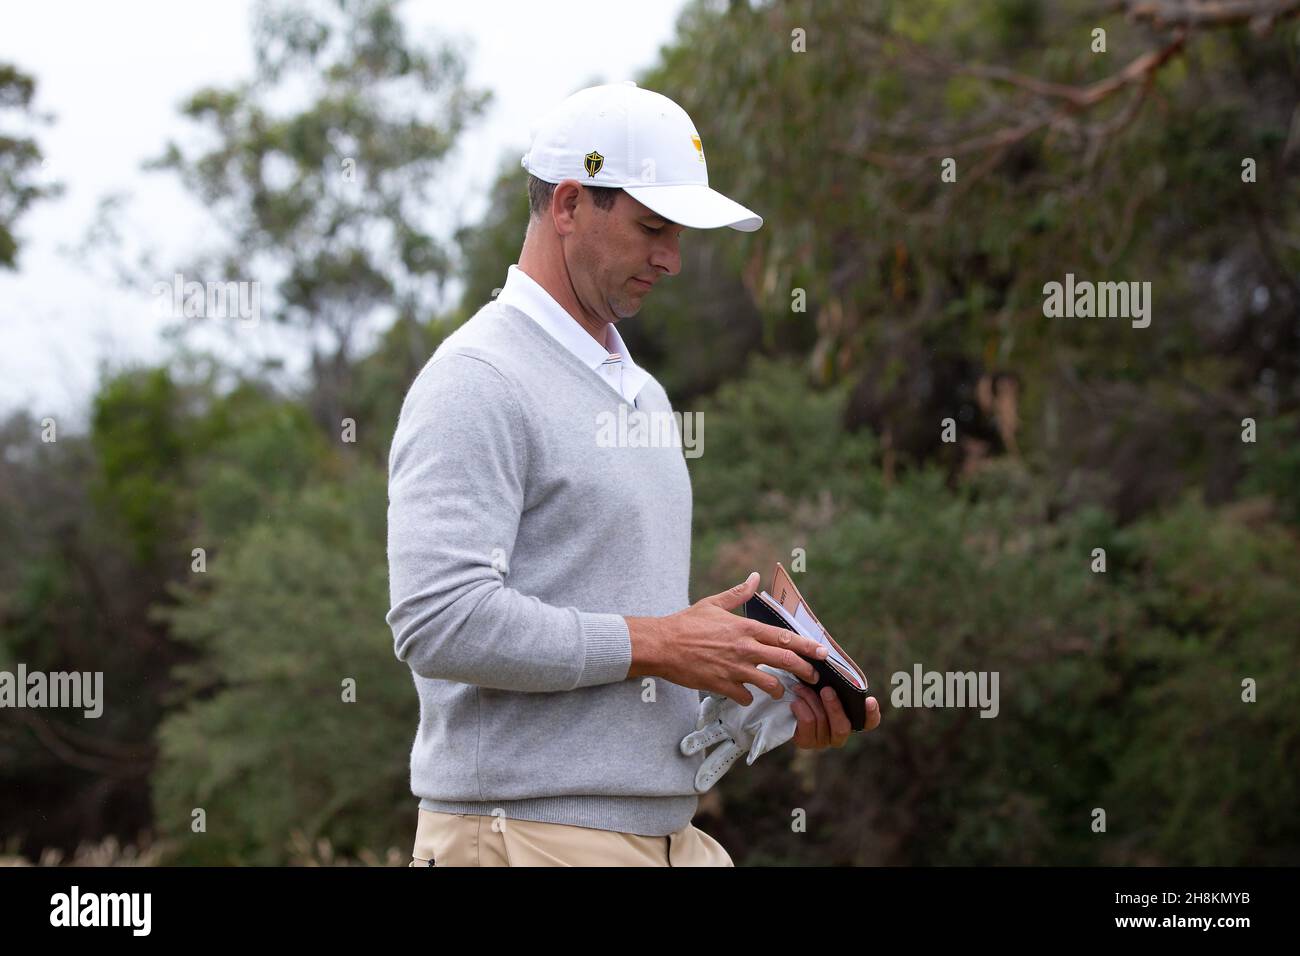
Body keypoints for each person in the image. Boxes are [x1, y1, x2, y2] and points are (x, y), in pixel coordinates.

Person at [386, 81, 880, 867]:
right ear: (570, 205)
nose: (672, 259)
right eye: (652, 227)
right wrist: (659, 641)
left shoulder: (640, 391)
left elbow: (626, 650)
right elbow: (438, 621)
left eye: (678, 233)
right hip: (525, 837)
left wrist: (757, 691)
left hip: (659, 837)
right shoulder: (477, 380)